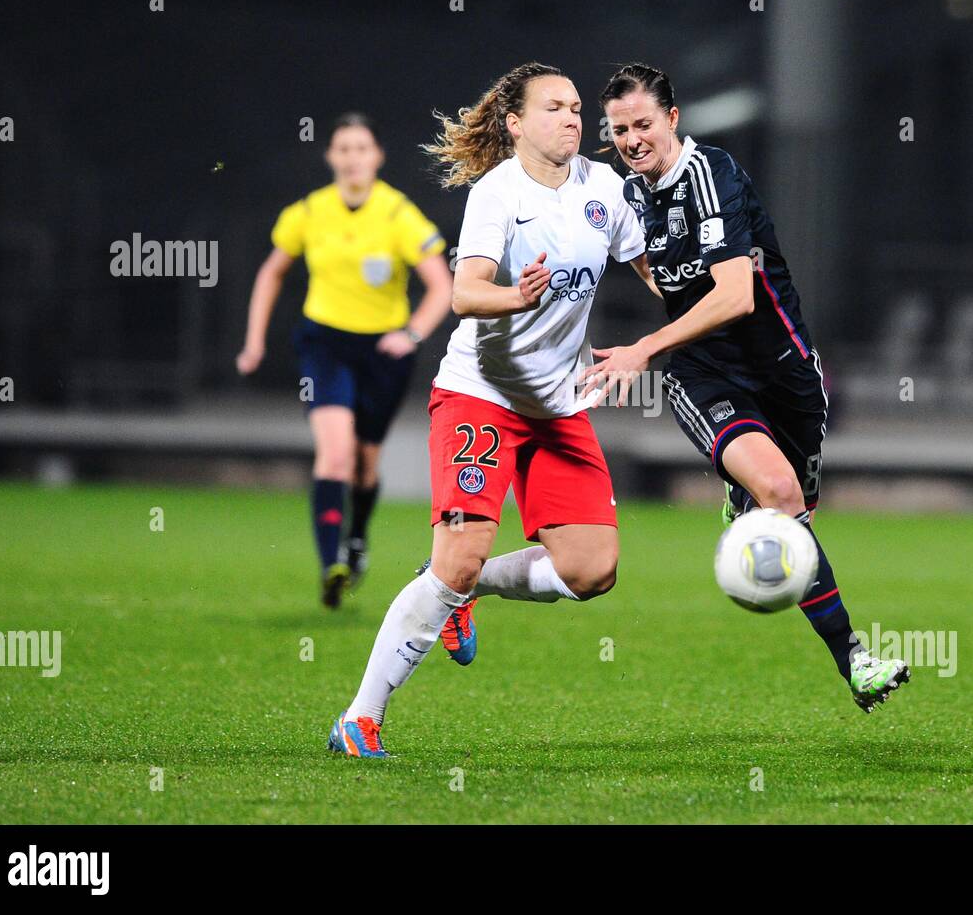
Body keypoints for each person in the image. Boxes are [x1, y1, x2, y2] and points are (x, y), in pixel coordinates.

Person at [328, 63, 647, 757]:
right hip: (483, 393)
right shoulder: (498, 194)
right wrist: (517, 296)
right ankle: (360, 716)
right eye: (555, 107)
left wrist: (700, 306)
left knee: (592, 568)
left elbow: (649, 264)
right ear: (514, 124)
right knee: (458, 559)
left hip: (557, 405)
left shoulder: (606, 189)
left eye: (575, 107)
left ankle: (467, 591)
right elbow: (467, 292)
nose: (574, 118)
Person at [589, 63, 910, 713]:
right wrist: (665, 341)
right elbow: (648, 263)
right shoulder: (627, 195)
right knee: (780, 491)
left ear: (673, 119)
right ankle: (857, 660)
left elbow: (736, 295)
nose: (631, 139)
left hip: (788, 372)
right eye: (619, 129)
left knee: (796, 516)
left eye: (643, 123)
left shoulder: (712, 176)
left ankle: (743, 496)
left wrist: (644, 345)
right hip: (703, 374)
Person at [236, 113, 453, 609]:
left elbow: (442, 285)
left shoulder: (399, 215)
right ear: (331, 157)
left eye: (362, 148)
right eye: (343, 149)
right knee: (334, 453)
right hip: (325, 345)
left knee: (363, 464)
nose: (353, 158)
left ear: (377, 156)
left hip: (383, 352)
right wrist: (254, 342)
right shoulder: (308, 213)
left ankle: (356, 538)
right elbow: (271, 273)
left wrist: (412, 333)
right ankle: (330, 562)